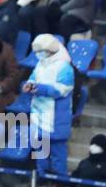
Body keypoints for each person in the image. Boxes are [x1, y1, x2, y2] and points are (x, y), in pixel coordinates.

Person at [22, 34, 75, 177]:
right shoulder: (40, 64)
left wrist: (39, 89)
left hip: (56, 116)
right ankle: (41, 176)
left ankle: (59, 180)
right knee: (40, 150)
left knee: (58, 152)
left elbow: (61, 90)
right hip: (39, 113)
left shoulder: (65, 67)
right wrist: (28, 87)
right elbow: (32, 80)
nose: (39, 54)